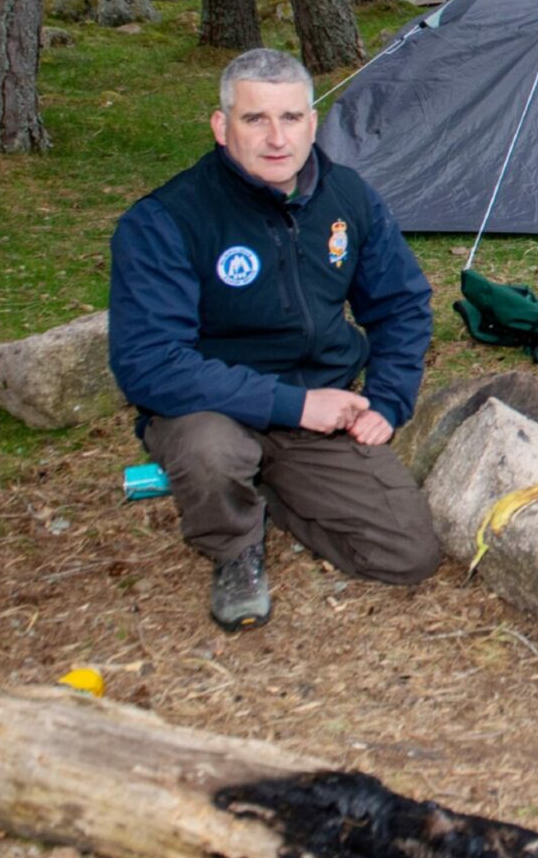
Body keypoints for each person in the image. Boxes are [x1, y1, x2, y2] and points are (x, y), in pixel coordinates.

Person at [108, 48, 441, 632]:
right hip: (208, 407)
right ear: (222, 127)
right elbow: (149, 363)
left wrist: (388, 400)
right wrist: (296, 405)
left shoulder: (348, 197)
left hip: (317, 408)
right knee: (212, 453)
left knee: (407, 554)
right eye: (254, 119)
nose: (276, 138)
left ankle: (269, 488)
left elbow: (402, 304)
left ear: (313, 122)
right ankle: (235, 547)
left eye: (290, 117)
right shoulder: (165, 219)